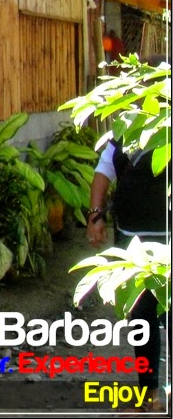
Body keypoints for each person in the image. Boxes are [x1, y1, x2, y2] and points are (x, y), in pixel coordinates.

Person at [86, 137, 168, 411]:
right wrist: (95, 216)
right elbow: (103, 173)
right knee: (142, 315)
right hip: (132, 241)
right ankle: (149, 396)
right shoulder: (121, 135)